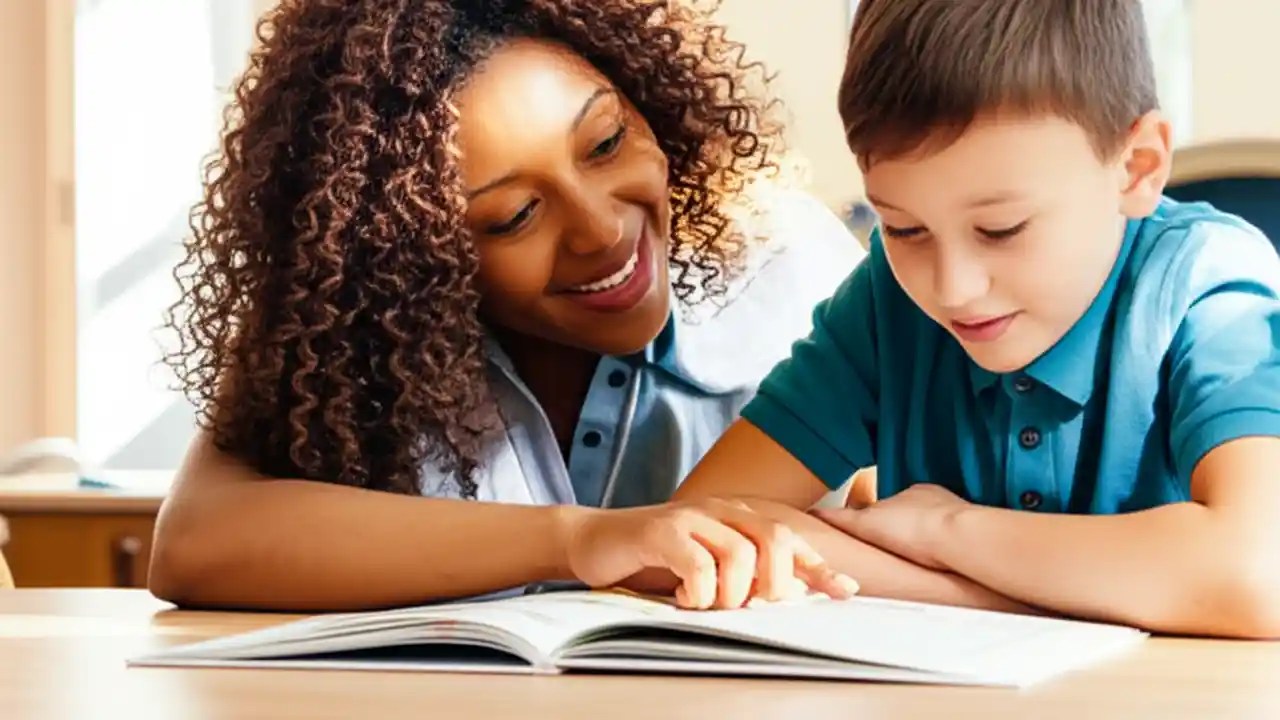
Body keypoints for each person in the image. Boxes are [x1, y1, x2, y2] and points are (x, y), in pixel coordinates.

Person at [147, 0, 912, 613]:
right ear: (409, 255)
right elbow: (194, 545)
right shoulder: (347, 340)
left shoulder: (788, 261)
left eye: (607, 144)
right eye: (513, 216)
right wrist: (576, 540)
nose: (603, 232)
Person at [675, 0, 1280, 638]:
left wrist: (944, 530)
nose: (955, 288)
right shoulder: (888, 301)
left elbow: (1259, 572)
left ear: (1137, 167)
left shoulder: (1207, 285)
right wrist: (1008, 592)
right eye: (904, 228)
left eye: (1001, 228)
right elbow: (688, 535)